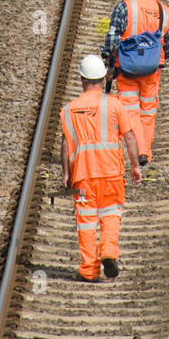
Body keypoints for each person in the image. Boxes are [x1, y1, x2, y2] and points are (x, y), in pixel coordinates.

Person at [59, 54, 142, 282]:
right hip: (111, 173)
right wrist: (135, 166)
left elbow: (66, 143)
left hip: (83, 176)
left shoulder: (69, 110)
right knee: (111, 214)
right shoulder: (115, 104)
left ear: (82, 79)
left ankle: (89, 270)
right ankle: (108, 251)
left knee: (86, 222)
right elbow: (130, 137)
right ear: (103, 77)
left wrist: (66, 173)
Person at [102, 0, 169, 167]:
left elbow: (112, 38)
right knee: (148, 112)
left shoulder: (124, 6)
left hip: (126, 69)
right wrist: (160, 57)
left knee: (130, 111)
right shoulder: (163, 9)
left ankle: (138, 153)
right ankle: (145, 152)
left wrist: (108, 60)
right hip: (152, 71)